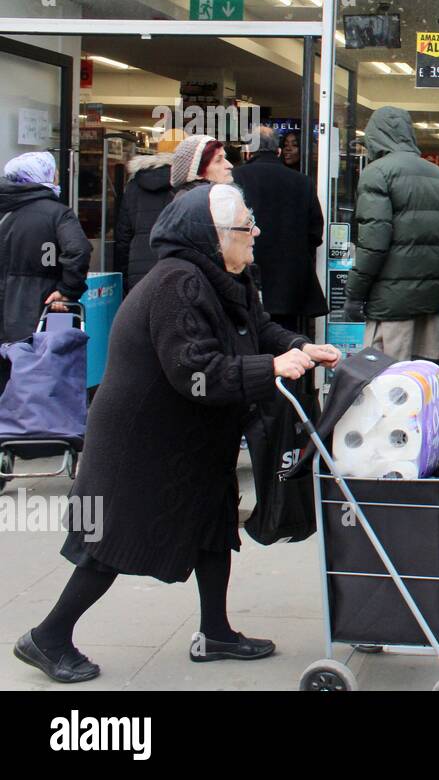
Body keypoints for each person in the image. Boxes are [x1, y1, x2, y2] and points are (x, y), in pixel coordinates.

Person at [12, 184, 340, 683]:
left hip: (188, 438)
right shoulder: (177, 284)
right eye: (243, 227)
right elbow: (195, 373)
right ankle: (48, 636)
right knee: (110, 543)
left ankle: (216, 633)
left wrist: (300, 346)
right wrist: (271, 366)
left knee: (212, 526)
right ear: (208, 237)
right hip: (138, 445)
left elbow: (257, 329)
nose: (256, 232)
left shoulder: (225, 277)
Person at [341, 107, 439, 362]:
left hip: (389, 304)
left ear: (376, 137)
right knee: (421, 382)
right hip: (428, 303)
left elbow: (373, 244)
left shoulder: (377, 172)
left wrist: (354, 294)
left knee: (387, 382)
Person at [233, 125, 327, 334]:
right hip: (289, 283)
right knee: (287, 344)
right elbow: (314, 232)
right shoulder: (303, 182)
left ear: (248, 151)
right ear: (277, 151)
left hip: (246, 276)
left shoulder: (235, 179)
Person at [0, 152, 92, 344]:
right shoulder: (57, 214)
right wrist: (67, 290)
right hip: (40, 310)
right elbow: (78, 250)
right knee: (41, 368)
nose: (57, 177)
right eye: (54, 173)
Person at [114, 130, 181, 294]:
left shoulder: (135, 184)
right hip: (175, 265)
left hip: (138, 266)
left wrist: (124, 272)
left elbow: (123, 235)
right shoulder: (185, 182)